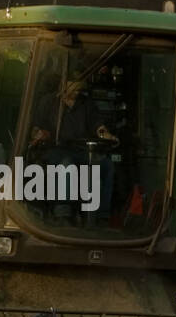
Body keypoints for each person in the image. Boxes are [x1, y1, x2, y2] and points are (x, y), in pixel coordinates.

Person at [28, 73, 116, 224]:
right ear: (64, 84)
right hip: (54, 151)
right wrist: (39, 134)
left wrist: (107, 136)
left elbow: (98, 127)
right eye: (74, 88)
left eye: (80, 89)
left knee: (107, 165)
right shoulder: (48, 102)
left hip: (82, 152)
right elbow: (35, 127)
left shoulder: (86, 104)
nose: (77, 92)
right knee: (67, 164)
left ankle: (101, 215)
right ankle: (63, 213)